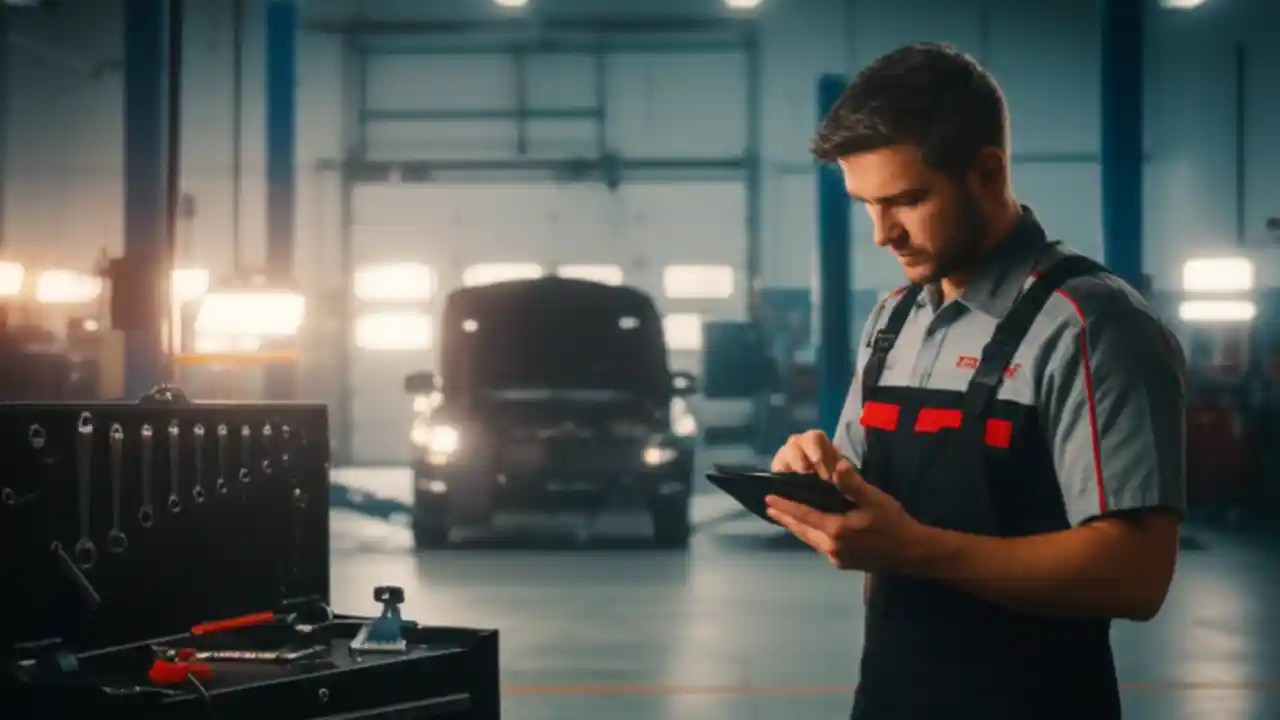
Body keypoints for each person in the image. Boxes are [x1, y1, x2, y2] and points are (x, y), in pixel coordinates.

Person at [767, 43, 1185, 719]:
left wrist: (916, 549)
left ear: (986, 173)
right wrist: (814, 475)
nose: (882, 235)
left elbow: (1136, 575)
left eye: (906, 199)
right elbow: (864, 490)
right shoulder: (892, 319)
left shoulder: (1091, 325)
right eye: (866, 204)